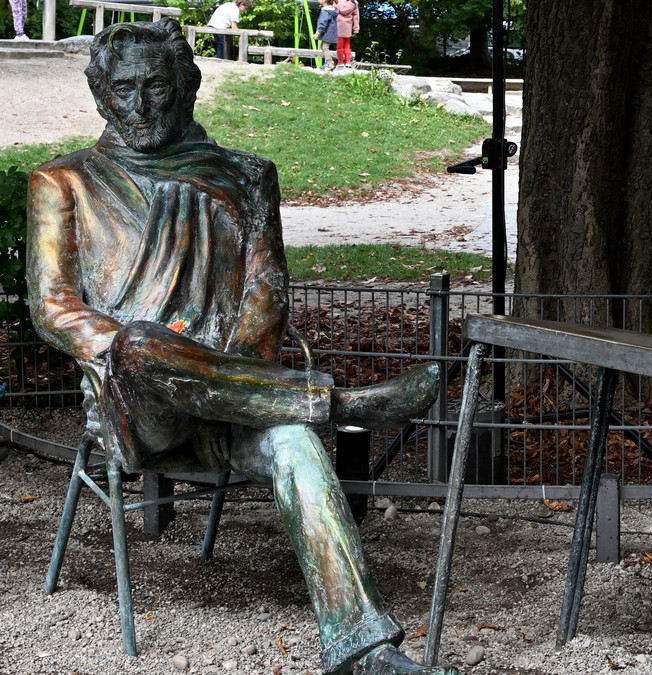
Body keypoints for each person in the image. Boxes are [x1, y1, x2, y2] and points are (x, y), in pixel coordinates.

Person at [25, 19, 458, 675]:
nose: (141, 105)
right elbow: (53, 305)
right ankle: (339, 402)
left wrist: (232, 373)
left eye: (155, 87)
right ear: (99, 92)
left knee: (298, 442)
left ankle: (363, 647)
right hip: (139, 404)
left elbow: (267, 296)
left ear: (187, 85)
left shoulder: (248, 177)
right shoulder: (63, 183)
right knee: (143, 345)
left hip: (239, 400)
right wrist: (128, 355)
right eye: (124, 89)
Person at [313, 0, 338, 70]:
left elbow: (323, 23)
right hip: (330, 32)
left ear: (324, 1)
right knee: (323, 47)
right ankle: (328, 63)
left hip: (327, 32)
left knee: (325, 47)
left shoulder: (325, 11)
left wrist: (317, 33)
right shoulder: (331, 10)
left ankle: (330, 64)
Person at [335, 0, 359, 69]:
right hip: (348, 26)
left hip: (338, 25)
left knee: (339, 44)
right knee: (347, 44)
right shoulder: (354, 3)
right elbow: (356, 16)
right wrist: (356, 28)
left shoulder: (336, 1)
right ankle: (348, 62)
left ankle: (340, 62)